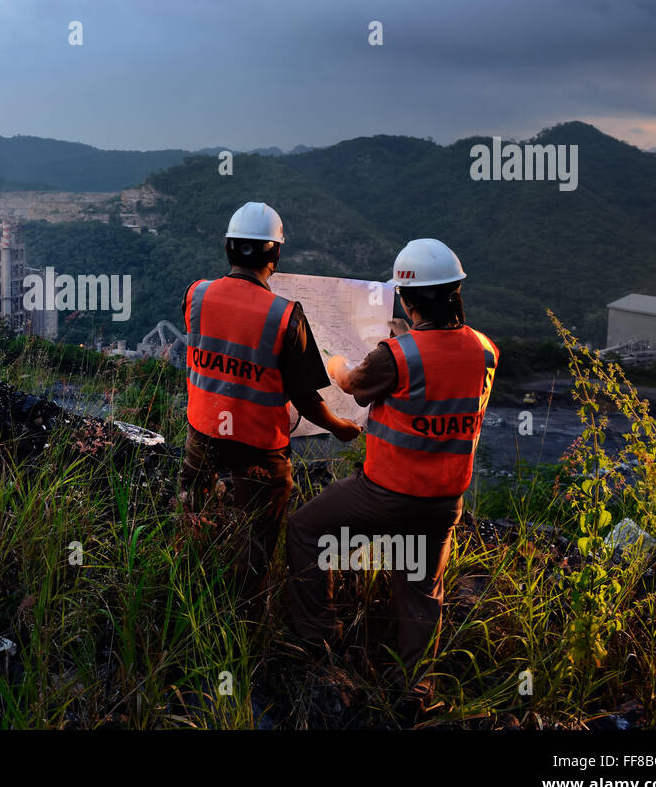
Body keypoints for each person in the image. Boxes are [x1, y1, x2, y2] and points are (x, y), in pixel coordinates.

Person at [284, 238, 498, 697]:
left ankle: (319, 641)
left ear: (408, 298)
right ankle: (414, 690)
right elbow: (439, 378)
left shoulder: (396, 355)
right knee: (421, 592)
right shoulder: (485, 351)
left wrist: (337, 360)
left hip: (385, 495)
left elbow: (356, 385)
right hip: (444, 504)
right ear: (456, 292)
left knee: (305, 528)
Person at [179, 201, 362, 608]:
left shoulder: (197, 294)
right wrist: (339, 427)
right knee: (256, 534)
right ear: (274, 255)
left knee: (194, 509)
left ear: (229, 248)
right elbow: (305, 398)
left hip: (202, 431)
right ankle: (240, 614)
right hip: (257, 447)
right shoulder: (285, 317)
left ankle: (187, 583)